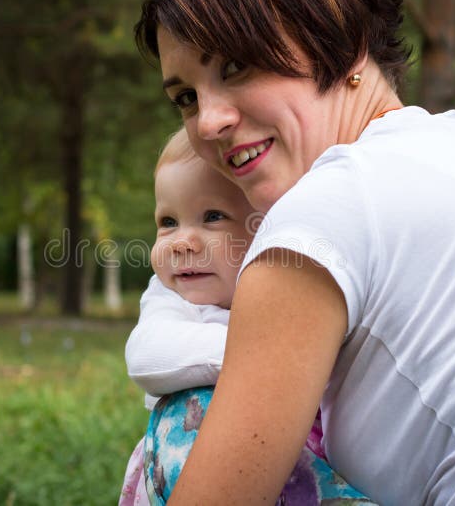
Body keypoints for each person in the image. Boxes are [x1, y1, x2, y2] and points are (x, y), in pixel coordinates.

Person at [131, 0, 455, 504]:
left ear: (341, 39)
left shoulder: (320, 213)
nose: (208, 122)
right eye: (186, 97)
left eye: (236, 65)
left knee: (186, 419)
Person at [119, 128, 371, 505]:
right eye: (168, 222)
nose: (181, 241)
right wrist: (276, 357)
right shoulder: (169, 295)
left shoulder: (291, 284)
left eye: (212, 217)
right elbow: (147, 357)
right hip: (196, 463)